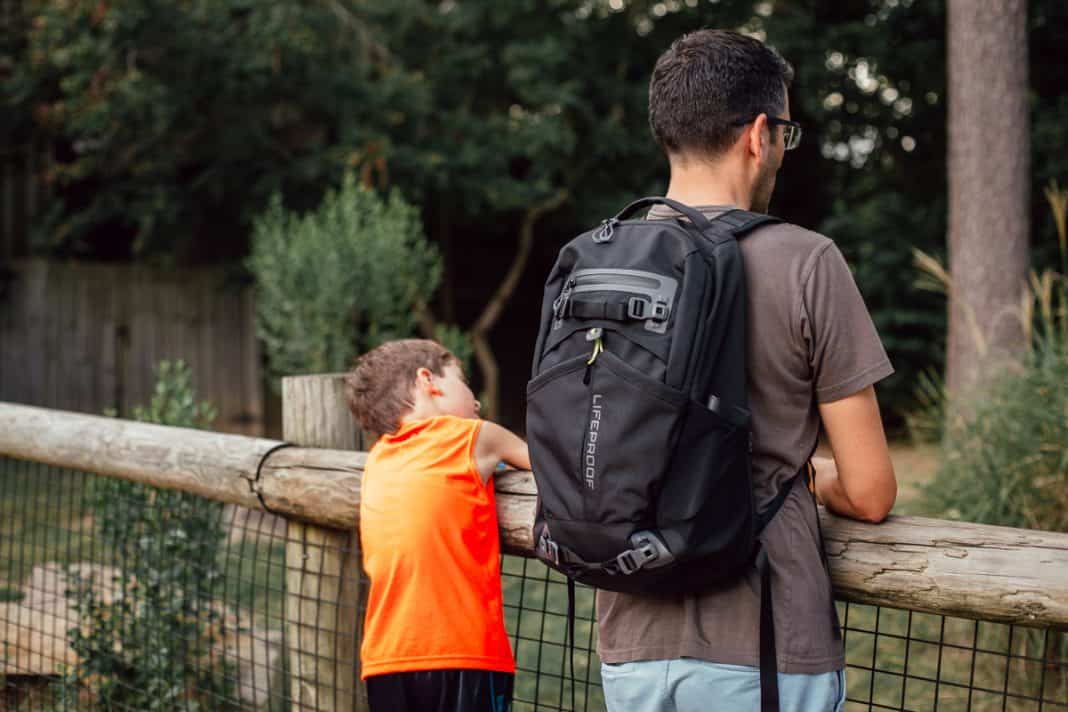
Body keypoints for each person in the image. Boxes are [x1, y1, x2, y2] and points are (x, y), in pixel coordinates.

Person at [595, 29, 898, 712]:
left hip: (630, 638)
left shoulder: (604, 259)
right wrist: (814, 485)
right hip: (764, 644)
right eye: (787, 132)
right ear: (760, 135)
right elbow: (873, 490)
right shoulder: (807, 262)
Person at [345, 338, 530, 712]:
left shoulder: (379, 458)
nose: (476, 402)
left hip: (387, 658)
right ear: (429, 380)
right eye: (464, 383)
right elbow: (551, 464)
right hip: (464, 653)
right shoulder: (473, 436)